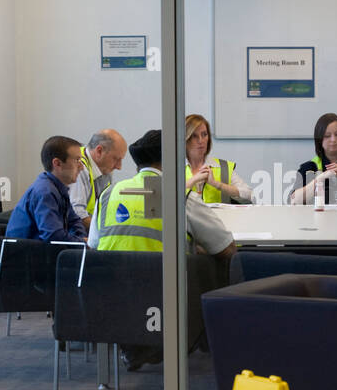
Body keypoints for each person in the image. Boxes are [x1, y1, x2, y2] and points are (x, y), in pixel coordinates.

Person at [90, 130, 237, 370]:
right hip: (165, 294)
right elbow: (224, 247)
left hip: (112, 294)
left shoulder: (109, 194)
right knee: (217, 262)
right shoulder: (179, 195)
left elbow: (94, 245)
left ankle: (138, 342)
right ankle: (205, 337)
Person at [5, 135, 90, 243]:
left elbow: (74, 221)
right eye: (77, 160)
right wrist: (82, 242)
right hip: (26, 255)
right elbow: (54, 237)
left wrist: (82, 239)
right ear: (57, 163)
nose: (82, 167)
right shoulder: (45, 192)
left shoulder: (58, 187)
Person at [184, 114, 252, 204]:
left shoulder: (223, 167)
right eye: (194, 136)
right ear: (186, 139)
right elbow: (166, 197)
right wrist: (193, 180)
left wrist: (217, 184)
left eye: (204, 134)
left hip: (220, 218)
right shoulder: (175, 168)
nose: (201, 140)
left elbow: (248, 194)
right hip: (186, 218)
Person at [69, 128, 127, 221]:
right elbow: (78, 214)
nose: (119, 167)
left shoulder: (105, 168)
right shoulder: (79, 168)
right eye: (116, 159)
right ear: (99, 151)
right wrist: (103, 231)